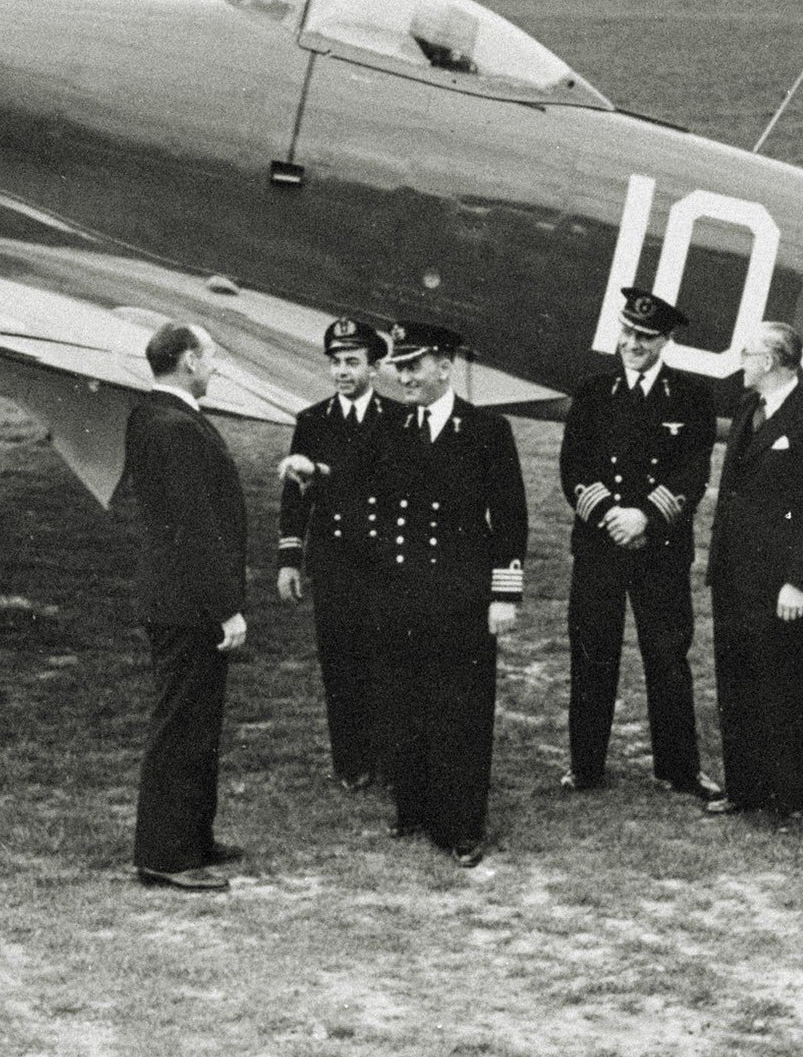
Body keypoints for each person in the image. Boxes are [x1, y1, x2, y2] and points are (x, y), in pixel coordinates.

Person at [365, 321, 528, 867]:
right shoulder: (392, 428)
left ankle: (461, 825)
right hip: (404, 593)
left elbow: (510, 518)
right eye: (400, 367)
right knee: (405, 702)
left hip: (461, 595)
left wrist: (504, 594)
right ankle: (413, 808)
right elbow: (379, 512)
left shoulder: (485, 430)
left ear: (444, 365)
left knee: (461, 709)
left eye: (414, 365)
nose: (404, 376)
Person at [556, 286, 718, 797]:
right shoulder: (592, 391)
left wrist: (645, 517)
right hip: (601, 545)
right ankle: (585, 766)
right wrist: (611, 515)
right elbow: (573, 468)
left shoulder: (691, 397)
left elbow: (694, 474)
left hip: (660, 548)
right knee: (592, 653)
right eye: (627, 332)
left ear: (665, 341)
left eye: (645, 336)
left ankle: (679, 769)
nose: (633, 344)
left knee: (667, 657)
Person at [121, 321, 251, 891]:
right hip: (187, 604)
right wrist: (226, 607)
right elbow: (193, 528)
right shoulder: (174, 427)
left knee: (195, 725)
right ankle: (166, 856)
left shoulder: (157, 417)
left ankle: (190, 839)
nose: (216, 368)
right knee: (182, 728)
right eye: (212, 358)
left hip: (177, 598)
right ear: (190, 361)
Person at [703, 321, 803, 823]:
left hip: (779, 579)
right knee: (736, 680)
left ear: (775, 361)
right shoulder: (749, 407)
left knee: (781, 684)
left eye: (749, 353)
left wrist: (798, 581)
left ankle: (790, 798)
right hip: (735, 571)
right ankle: (745, 787)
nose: (741, 359)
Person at [276, 316, 396, 789]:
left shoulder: (398, 420)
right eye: (335, 363)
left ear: (375, 367)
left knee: (385, 658)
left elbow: (385, 485)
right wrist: (290, 557)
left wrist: (320, 469)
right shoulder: (312, 421)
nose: (342, 372)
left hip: (385, 562)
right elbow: (294, 496)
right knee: (340, 662)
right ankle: (351, 762)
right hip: (334, 562)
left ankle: (389, 757)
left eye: (352, 362)